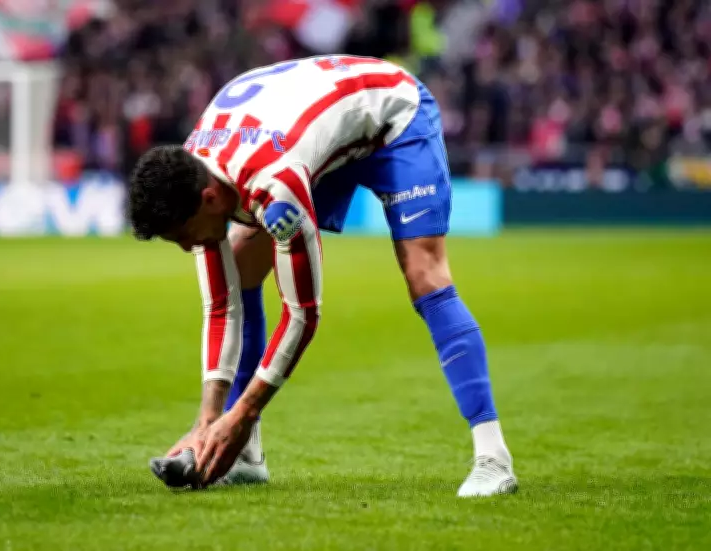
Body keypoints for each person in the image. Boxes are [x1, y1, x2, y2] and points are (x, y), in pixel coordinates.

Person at [129, 55, 518, 497]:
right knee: (239, 263)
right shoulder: (194, 167)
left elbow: (302, 315)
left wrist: (243, 413)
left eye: (183, 235)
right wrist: (207, 421)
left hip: (391, 115)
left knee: (425, 275)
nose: (186, 247)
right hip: (315, 130)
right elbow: (220, 305)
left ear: (210, 199)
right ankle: (245, 456)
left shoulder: (275, 185)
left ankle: (493, 457)